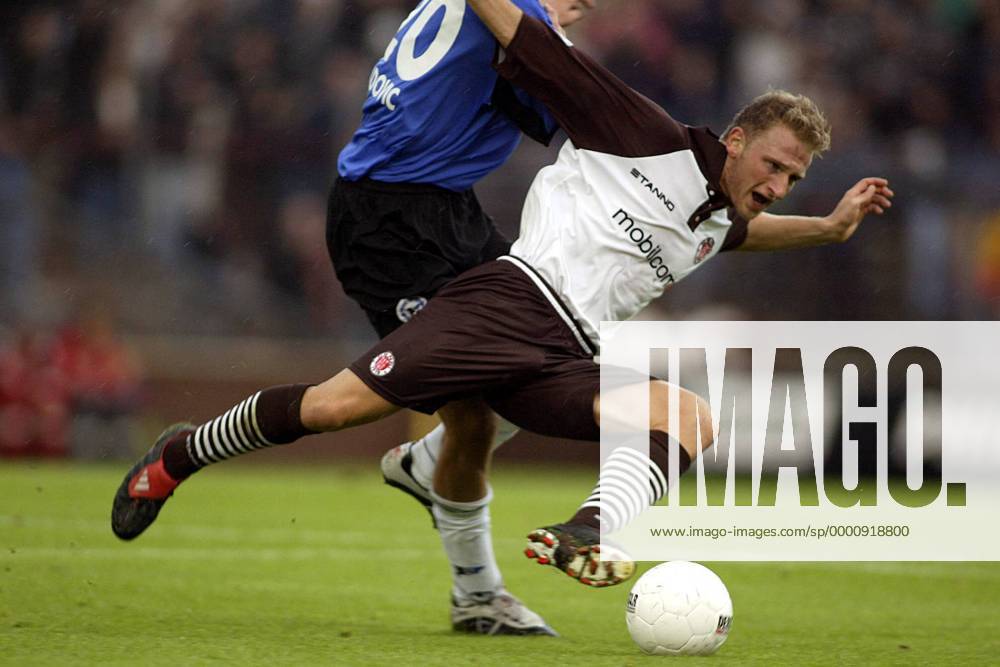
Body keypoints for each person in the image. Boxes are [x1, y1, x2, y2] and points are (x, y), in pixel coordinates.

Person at [111, 0, 893, 633]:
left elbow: (742, 233)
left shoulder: (717, 216)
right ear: (736, 140)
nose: (778, 185)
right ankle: (182, 452)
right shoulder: (642, 133)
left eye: (793, 178)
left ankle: (581, 533)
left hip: (563, 353)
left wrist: (828, 227)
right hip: (506, 305)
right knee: (335, 408)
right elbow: (525, 37)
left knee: (689, 416)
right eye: (774, 166)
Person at [327, 0, 597, 635]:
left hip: (446, 208)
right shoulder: (522, 21)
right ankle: (477, 596)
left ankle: (426, 465)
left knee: (545, 353)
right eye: (574, 2)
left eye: (583, 10)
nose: (571, 17)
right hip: (389, 224)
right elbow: (578, 112)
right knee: (473, 413)